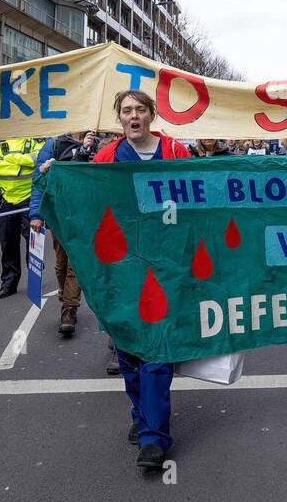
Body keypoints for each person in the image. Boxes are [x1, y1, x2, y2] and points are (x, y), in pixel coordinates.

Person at [93, 90, 191, 473]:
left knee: (156, 347)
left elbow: (198, 199)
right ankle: (141, 412)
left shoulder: (175, 151)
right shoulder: (107, 157)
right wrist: (53, 176)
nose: (133, 116)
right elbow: (88, 198)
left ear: (151, 114)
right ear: (119, 118)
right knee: (129, 349)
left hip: (166, 263)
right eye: (126, 111)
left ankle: (154, 437)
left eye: (140, 110)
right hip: (123, 266)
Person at [29, 130, 98, 339]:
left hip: (84, 215)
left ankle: (69, 309)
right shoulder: (54, 144)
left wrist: (89, 151)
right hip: (58, 213)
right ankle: (64, 295)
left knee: (74, 264)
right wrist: (36, 214)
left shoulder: (97, 144)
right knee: (61, 263)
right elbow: (38, 179)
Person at [0, 136, 45, 300]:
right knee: (7, 243)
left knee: (32, 242)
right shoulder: (0, 143)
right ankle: (9, 283)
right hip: (6, 201)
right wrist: (20, 166)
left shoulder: (36, 143)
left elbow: (35, 160)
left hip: (29, 200)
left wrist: (8, 159)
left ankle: (35, 280)